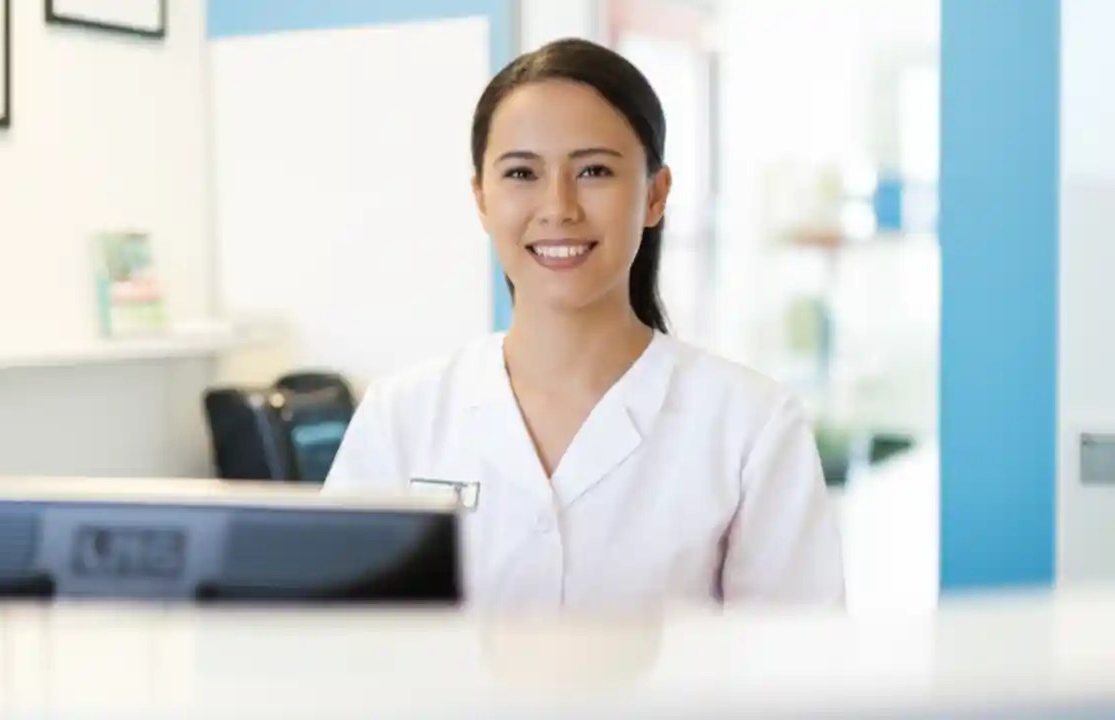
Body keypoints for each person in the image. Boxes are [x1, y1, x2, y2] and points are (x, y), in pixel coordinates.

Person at [324, 38, 843, 611]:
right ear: (481, 199)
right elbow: (335, 645)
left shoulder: (751, 424)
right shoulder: (401, 416)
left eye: (594, 170)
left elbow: (798, 676)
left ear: (654, 194)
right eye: (522, 173)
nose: (559, 207)